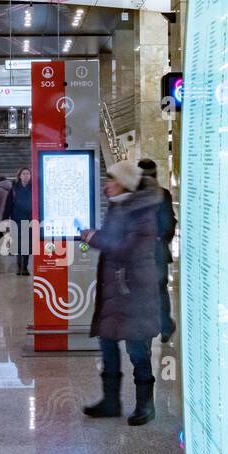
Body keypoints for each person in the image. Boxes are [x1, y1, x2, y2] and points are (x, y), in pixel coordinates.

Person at [80, 159, 162, 425]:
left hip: (135, 289)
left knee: (137, 349)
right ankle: (111, 401)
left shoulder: (143, 211)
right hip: (115, 288)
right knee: (107, 342)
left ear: (125, 182)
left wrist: (93, 237)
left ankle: (145, 405)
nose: (108, 185)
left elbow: (128, 247)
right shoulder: (119, 206)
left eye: (113, 180)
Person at [138, 159, 177, 342]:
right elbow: (170, 223)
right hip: (157, 252)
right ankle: (165, 327)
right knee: (160, 291)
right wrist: (161, 240)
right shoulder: (163, 194)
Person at [3, 166, 33, 274]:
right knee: (19, 244)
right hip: (17, 220)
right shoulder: (14, 188)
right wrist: (5, 219)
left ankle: (24, 267)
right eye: (24, 174)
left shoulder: (34, 188)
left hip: (30, 221)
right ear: (20, 176)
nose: (26, 176)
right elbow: (8, 205)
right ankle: (20, 266)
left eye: (28, 174)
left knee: (27, 244)